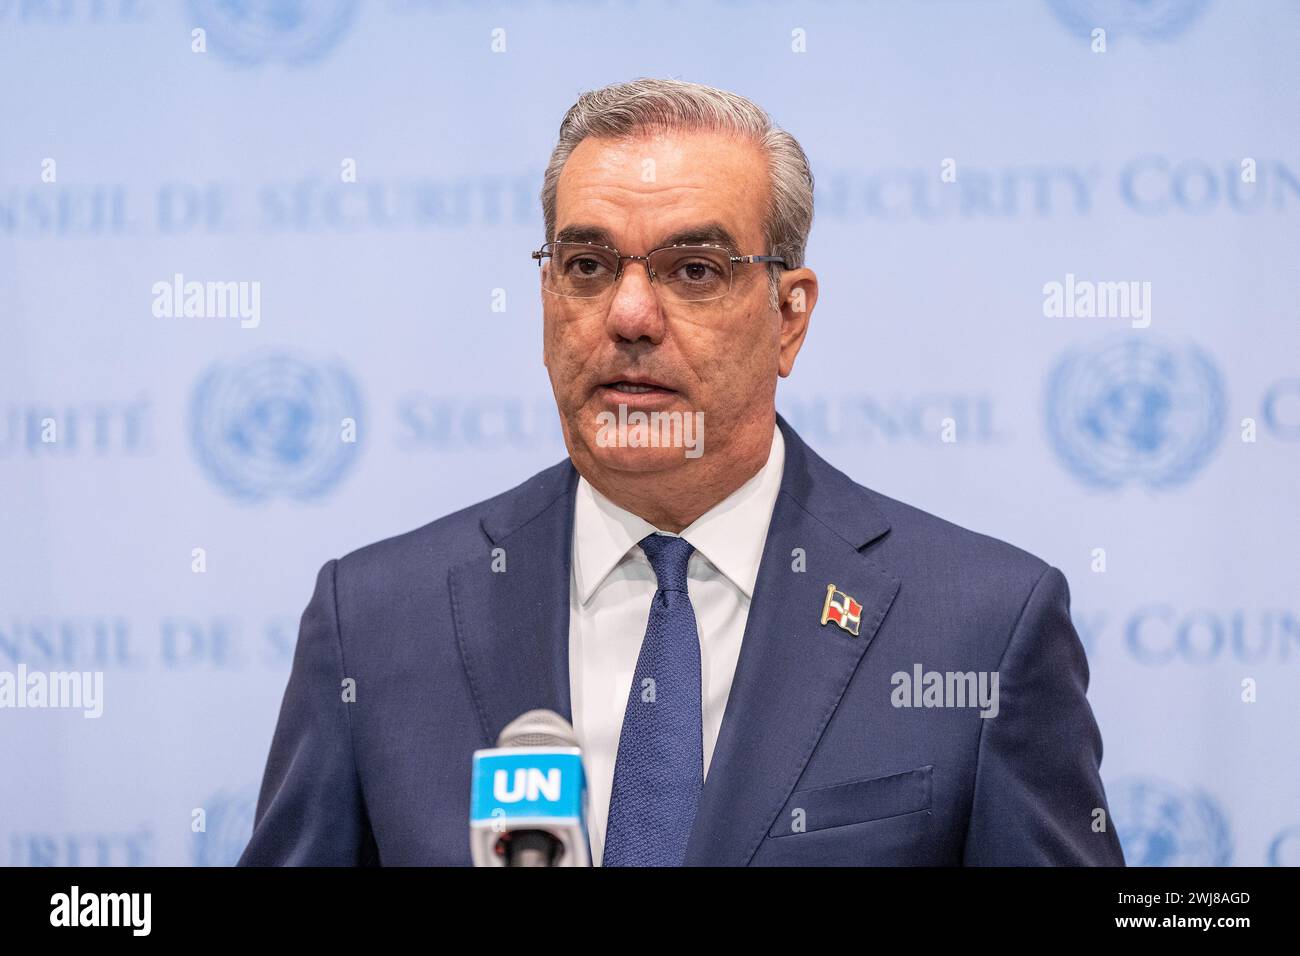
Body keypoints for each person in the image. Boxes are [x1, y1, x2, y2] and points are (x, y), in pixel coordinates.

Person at [239, 78, 1124, 866]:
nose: (627, 314)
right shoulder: (378, 618)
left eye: (693, 270)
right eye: (585, 266)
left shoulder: (980, 625)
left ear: (789, 316)